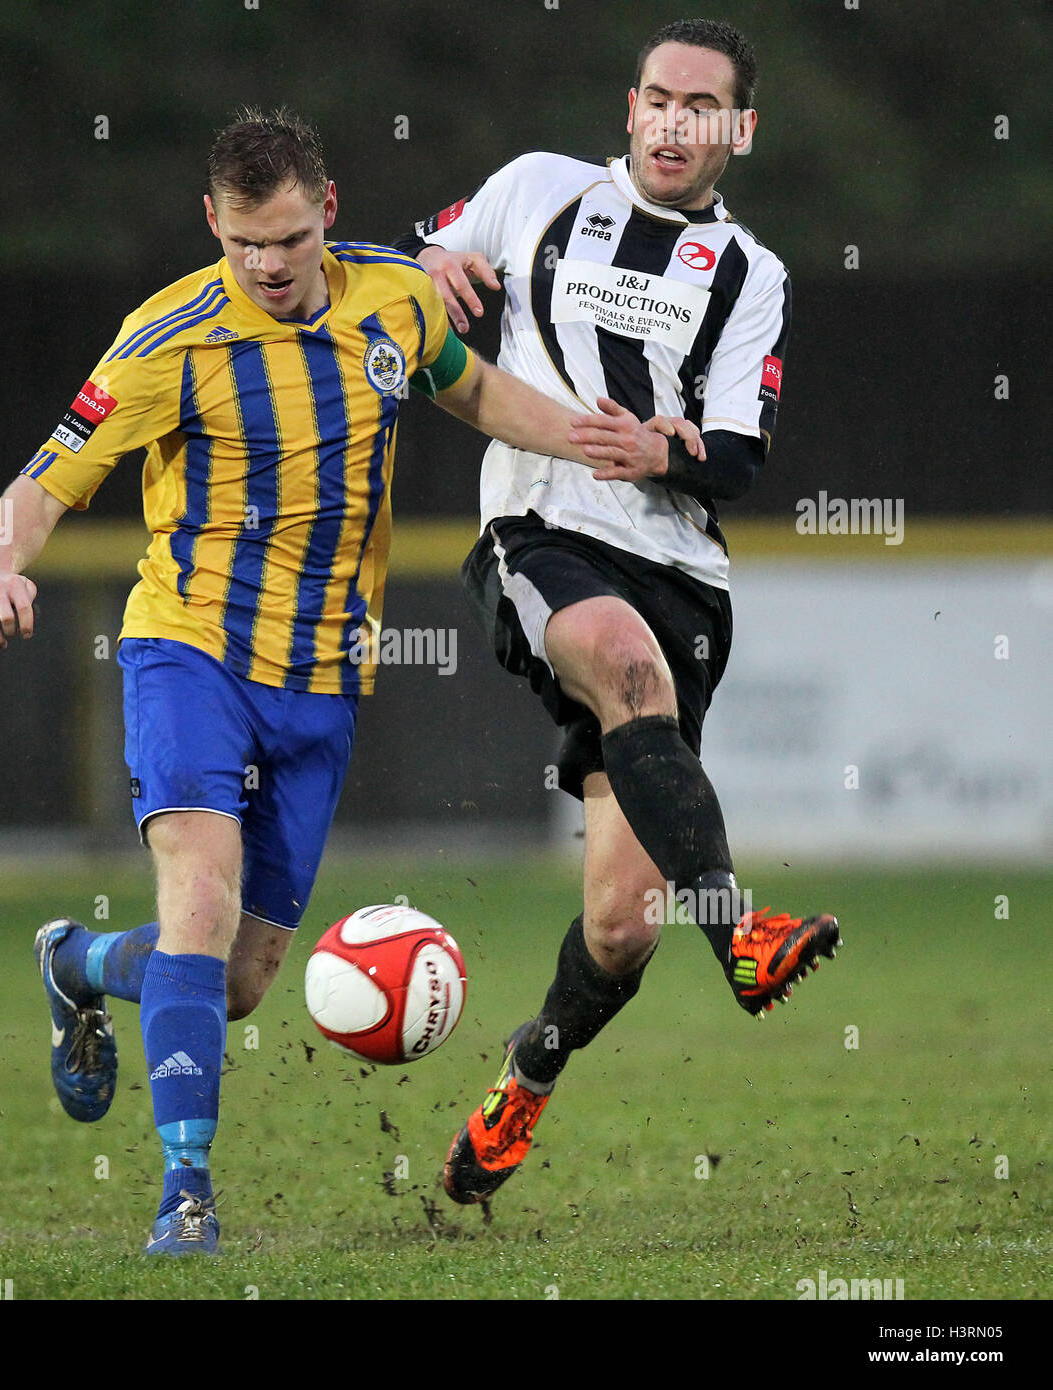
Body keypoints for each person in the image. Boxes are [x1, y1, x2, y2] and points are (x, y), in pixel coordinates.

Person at [0, 107, 704, 1255]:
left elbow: (470, 390)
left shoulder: (396, 297)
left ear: (331, 213)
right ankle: (186, 1194)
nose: (268, 265)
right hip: (188, 648)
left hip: (319, 682)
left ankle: (74, 960)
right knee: (198, 905)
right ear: (212, 221)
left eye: (292, 239)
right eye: (245, 241)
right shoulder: (166, 338)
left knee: (241, 979)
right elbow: (48, 478)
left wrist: (584, 437)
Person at [392, 18, 842, 1208]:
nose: (676, 122)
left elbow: (740, 457)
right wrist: (425, 267)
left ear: (738, 129)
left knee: (619, 924)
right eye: (659, 98)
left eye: (704, 106)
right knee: (618, 659)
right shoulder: (536, 189)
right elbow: (396, 269)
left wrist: (666, 450)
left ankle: (526, 1076)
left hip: (683, 574)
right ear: (630, 108)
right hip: (540, 531)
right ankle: (740, 929)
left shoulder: (752, 274)